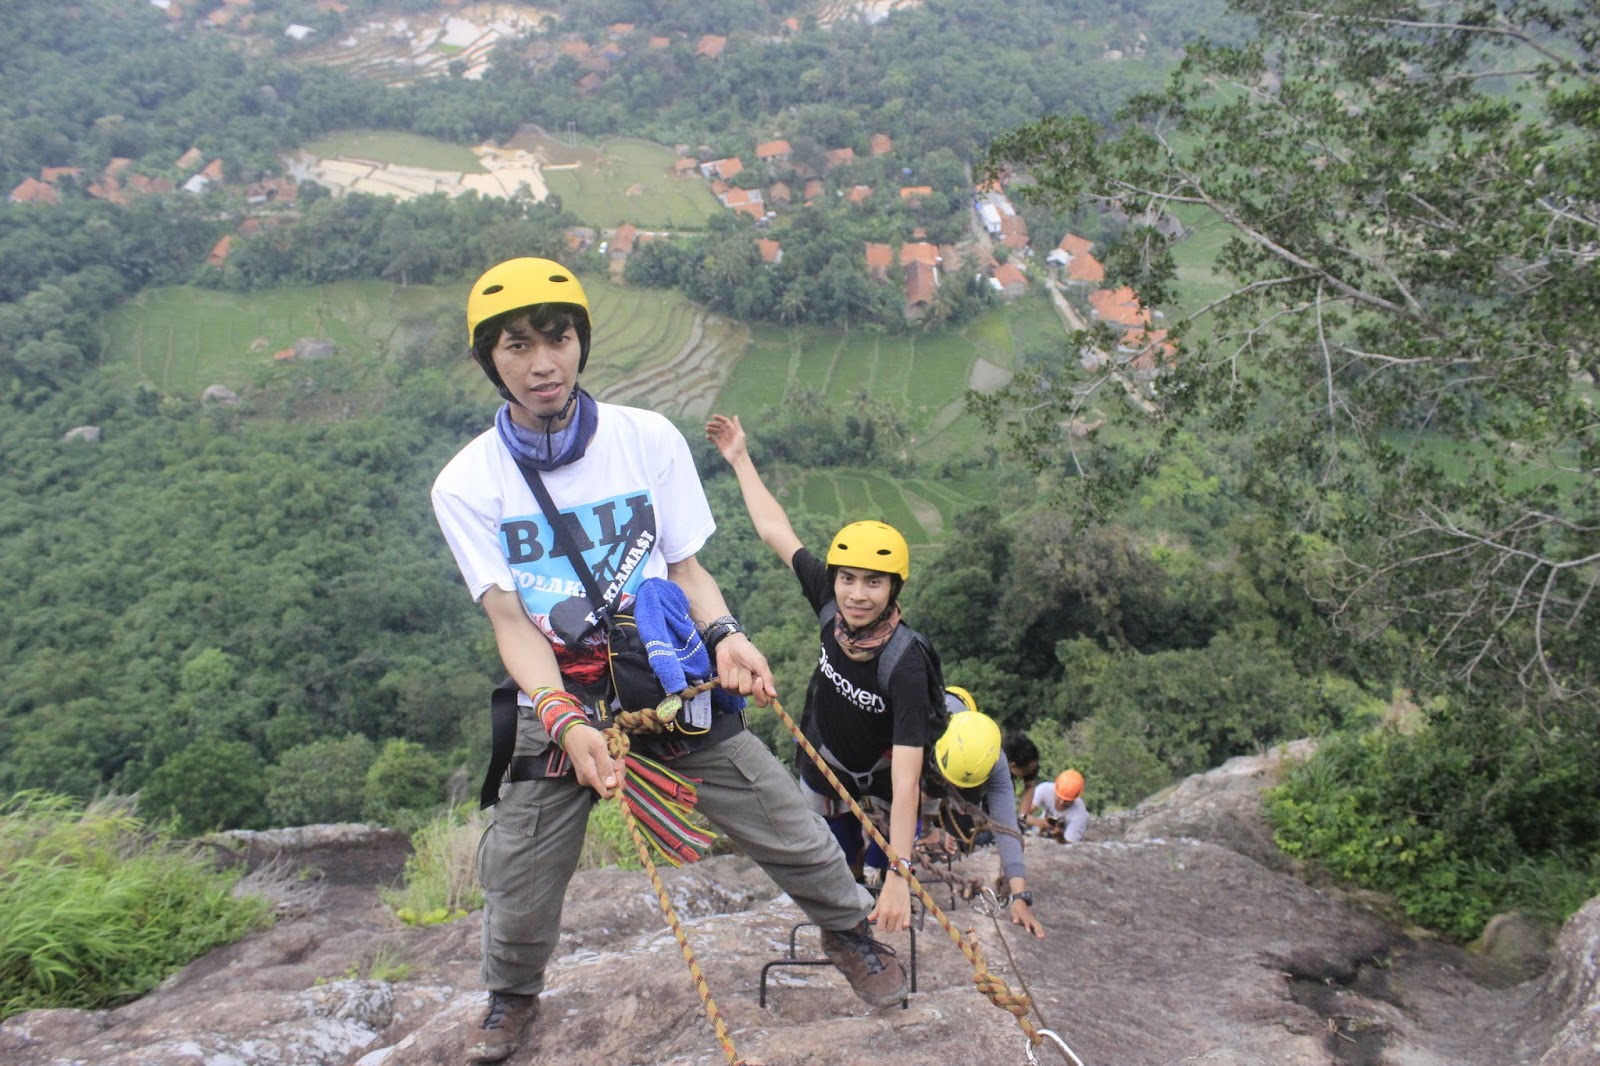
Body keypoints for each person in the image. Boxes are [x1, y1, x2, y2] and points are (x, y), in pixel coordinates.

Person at [432, 259, 908, 1064]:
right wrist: (557, 718)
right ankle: (511, 996)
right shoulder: (467, 484)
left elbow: (685, 571)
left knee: (783, 819)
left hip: (666, 677)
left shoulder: (646, 439)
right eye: (517, 346)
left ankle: (850, 934)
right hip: (564, 698)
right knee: (519, 866)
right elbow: (511, 624)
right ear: (491, 360)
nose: (542, 361)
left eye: (559, 338)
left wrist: (725, 634)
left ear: (582, 342)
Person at [706, 412, 940, 938]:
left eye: (874, 583)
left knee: (881, 870)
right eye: (848, 579)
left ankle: (880, 889)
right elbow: (775, 531)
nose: (857, 594)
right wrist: (740, 458)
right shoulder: (829, 602)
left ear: (894, 589)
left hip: (880, 782)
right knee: (835, 864)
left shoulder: (906, 663)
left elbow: (907, 782)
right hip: (822, 765)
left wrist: (902, 874)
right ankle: (852, 931)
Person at [923, 688, 1046, 938]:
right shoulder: (920, 730)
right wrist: (922, 830)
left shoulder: (993, 760)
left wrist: (1020, 896)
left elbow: (1007, 828)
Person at [1025, 769, 1090, 843]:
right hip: (1037, 833)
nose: (1061, 802)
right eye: (1059, 797)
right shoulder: (1044, 790)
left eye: (1067, 801)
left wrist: (1059, 836)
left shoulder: (1080, 813)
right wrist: (1039, 822)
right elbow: (1023, 815)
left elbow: (1070, 846)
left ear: (1076, 798)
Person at [1002, 731, 1040, 823]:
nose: (1030, 773)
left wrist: (1023, 818)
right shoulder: (998, 766)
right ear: (1013, 766)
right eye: (1026, 771)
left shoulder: (1030, 763)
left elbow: (1030, 785)